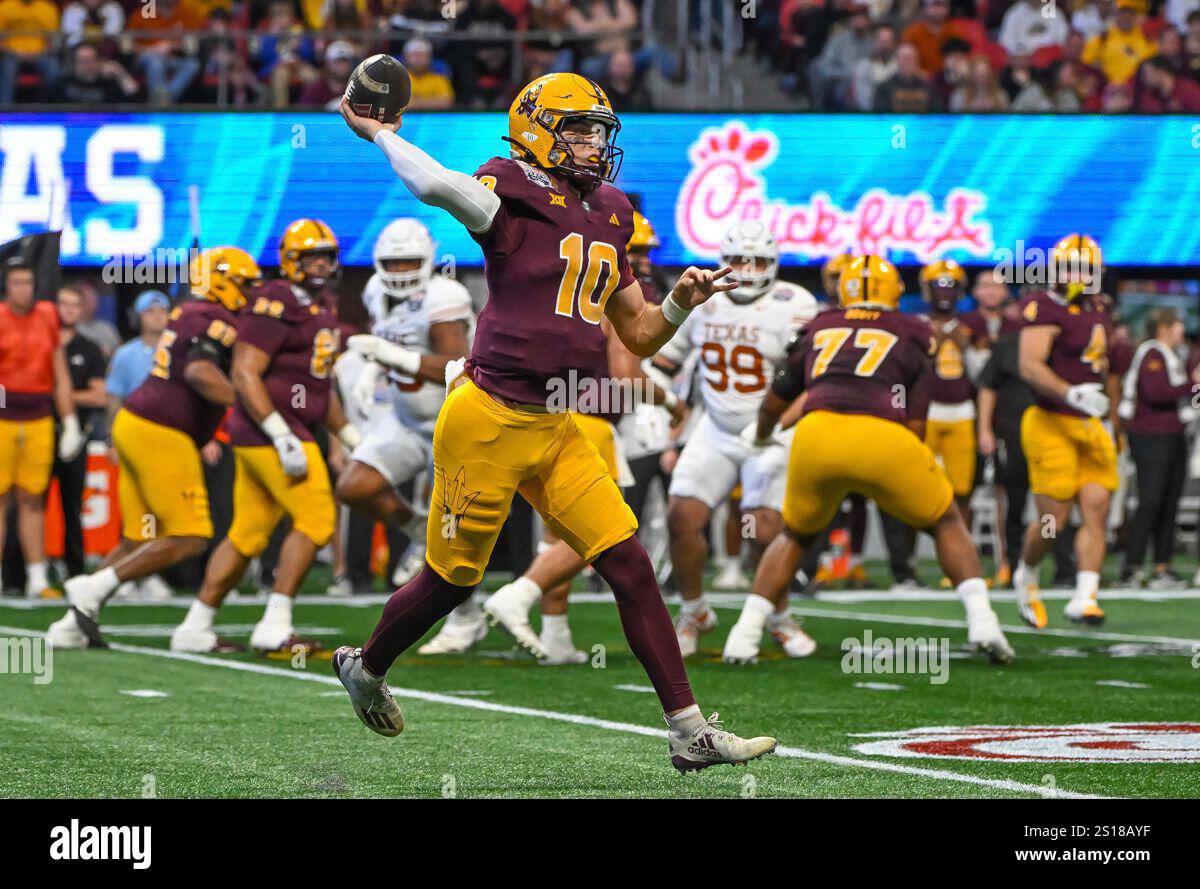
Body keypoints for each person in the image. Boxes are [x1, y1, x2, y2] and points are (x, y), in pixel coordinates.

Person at [335, 73, 778, 771]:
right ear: (537, 127)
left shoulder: (610, 207)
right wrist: (382, 133)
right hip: (486, 417)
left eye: (599, 131)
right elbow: (436, 188)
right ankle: (366, 665)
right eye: (578, 129)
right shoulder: (509, 184)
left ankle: (688, 730)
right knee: (451, 582)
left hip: (556, 422)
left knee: (630, 563)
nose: (593, 143)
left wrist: (683, 303)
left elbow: (637, 333)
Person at [739, 255, 1013, 664]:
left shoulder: (820, 325)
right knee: (946, 521)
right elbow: (916, 417)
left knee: (795, 535)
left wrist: (762, 436)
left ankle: (743, 635)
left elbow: (779, 394)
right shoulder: (913, 330)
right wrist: (903, 465)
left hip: (819, 433)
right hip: (883, 434)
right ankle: (983, 621)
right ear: (896, 293)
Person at [46, 249, 262, 649]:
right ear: (220, 282)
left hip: (136, 423)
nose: (249, 295)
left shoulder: (187, 311)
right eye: (244, 285)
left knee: (138, 536)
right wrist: (247, 405)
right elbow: (199, 371)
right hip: (163, 430)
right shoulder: (214, 318)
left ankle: (70, 625)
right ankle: (93, 589)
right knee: (191, 534)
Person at [170, 221, 360, 653]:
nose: (320, 264)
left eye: (326, 255)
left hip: (282, 429)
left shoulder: (322, 304)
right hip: (271, 430)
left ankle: (195, 626)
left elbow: (318, 381)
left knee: (247, 535)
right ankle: (275, 622)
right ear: (291, 261)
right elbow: (244, 371)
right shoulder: (276, 299)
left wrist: (348, 434)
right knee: (317, 519)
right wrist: (279, 433)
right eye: (311, 256)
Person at [651, 221, 820, 662]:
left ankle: (779, 617)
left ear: (773, 265)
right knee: (682, 516)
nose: (746, 270)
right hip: (716, 426)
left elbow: (811, 379)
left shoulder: (794, 303)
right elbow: (666, 359)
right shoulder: (705, 299)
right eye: (738, 260)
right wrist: (658, 400)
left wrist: (777, 423)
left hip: (772, 431)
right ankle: (693, 612)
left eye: (757, 261)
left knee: (765, 530)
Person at [333, 219, 473, 616]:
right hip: (407, 420)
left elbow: (456, 365)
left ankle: (465, 618)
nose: (399, 271)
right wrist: (371, 372)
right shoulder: (375, 292)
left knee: (457, 537)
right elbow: (387, 341)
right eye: (392, 263)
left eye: (408, 261)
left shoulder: (444, 296)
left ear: (427, 259)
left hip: (454, 424)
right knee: (355, 486)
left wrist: (388, 357)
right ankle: (415, 529)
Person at [1013, 234, 1118, 628]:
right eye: (1070, 267)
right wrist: (1070, 392)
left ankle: (1085, 597)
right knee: (1052, 521)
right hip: (1050, 421)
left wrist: (1110, 408)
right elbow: (1029, 365)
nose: (1076, 276)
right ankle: (1026, 573)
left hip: (1089, 424)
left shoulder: (1098, 306)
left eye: (1084, 269)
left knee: (1097, 508)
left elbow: (1102, 364)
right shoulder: (1042, 306)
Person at [0, 259, 86, 599]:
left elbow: (59, 371)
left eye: (30, 282)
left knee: (33, 498)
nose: (26, 289)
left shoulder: (48, 315)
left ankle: (37, 577)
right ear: (7, 286)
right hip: (4, 415)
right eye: (19, 282)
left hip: (38, 415)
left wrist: (70, 422)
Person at [1117, 308, 1195, 588]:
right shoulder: (1151, 353)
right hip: (1151, 435)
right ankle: (1132, 567)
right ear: (1163, 327)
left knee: (1169, 503)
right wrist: (1192, 385)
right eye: (1177, 325)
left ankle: (1163, 567)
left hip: (1173, 435)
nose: (1181, 331)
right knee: (1150, 502)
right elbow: (1156, 393)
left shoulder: (1173, 355)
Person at [53, 286, 107, 580]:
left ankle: (74, 572)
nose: (69, 310)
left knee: (72, 505)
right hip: (37, 430)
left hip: (76, 435)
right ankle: (17, 575)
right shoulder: (40, 342)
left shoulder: (89, 348)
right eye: (63, 303)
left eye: (75, 304)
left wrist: (59, 394)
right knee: (23, 503)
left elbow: (100, 397)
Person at [0, 0, 61, 104]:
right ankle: (4, 110)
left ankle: (53, 110)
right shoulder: (4, 7)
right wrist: (15, 53)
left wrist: (39, 53)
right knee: (6, 68)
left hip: (41, 54)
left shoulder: (48, 8)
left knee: (53, 66)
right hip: (11, 54)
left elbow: (53, 40)